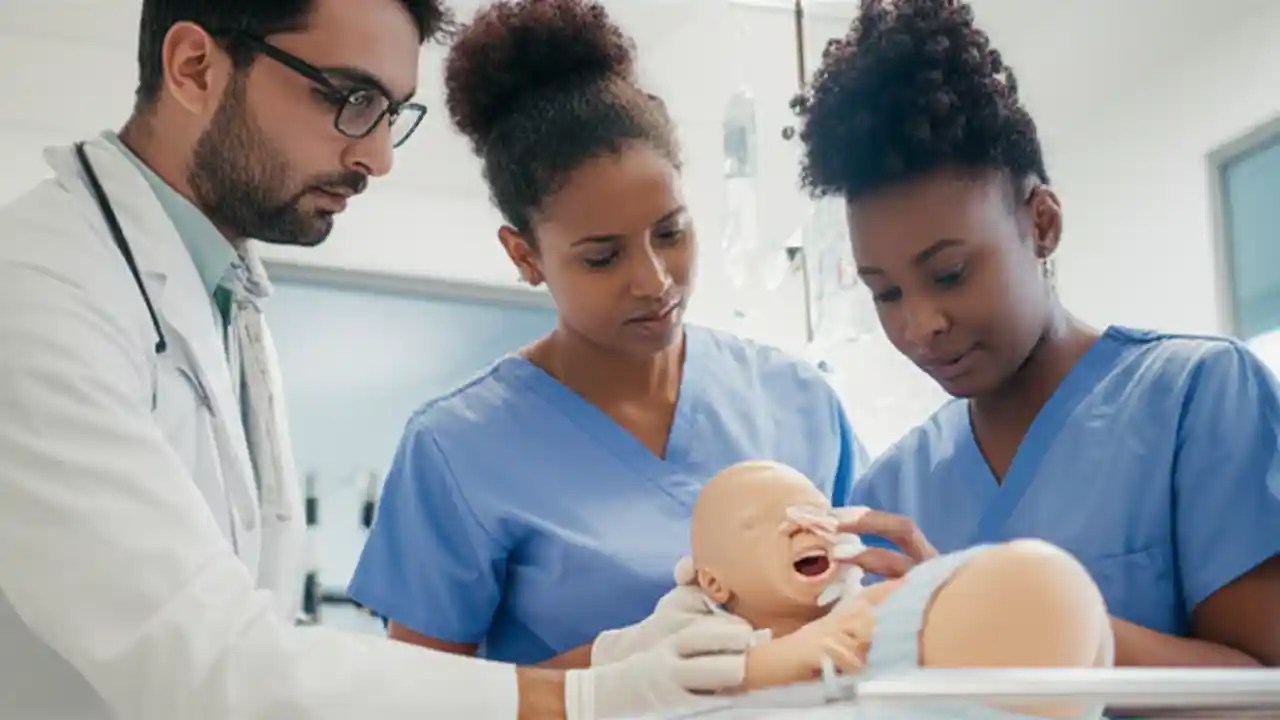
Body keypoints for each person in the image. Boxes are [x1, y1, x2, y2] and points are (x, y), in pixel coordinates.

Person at [0, 1, 765, 718]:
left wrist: (610, 659)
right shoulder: (36, 288)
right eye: (350, 98)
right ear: (196, 67)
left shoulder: (223, 295)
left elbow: (273, 643)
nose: (377, 156)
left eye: (390, 114)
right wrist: (586, 698)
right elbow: (203, 659)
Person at [347, 0, 869, 669]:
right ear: (525, 255)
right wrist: (621, 674)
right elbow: (423, 701)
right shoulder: (458, 450)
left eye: (671, 232)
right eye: (602, 257)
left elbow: (875, 612)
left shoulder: (796, 401)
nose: (654, 281)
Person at [794, 0, 1280, 666]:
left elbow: (1260, 690)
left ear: (1042, 224)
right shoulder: (892, 492)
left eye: (951, 272)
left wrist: (995, 611)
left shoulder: (1199, 398)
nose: (920, 325)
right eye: (886, 292)